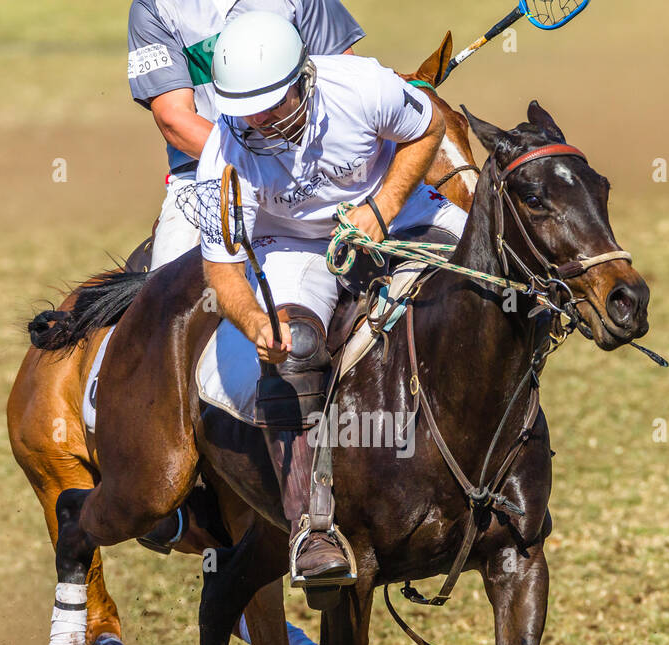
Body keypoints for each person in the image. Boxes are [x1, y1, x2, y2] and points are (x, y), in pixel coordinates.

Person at [196, 10, 467, 581]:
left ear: (304, 78)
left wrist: (381, 208)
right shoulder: (224, 153)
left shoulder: (361, 85)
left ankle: (512, 454)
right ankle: (312, 531)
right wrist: (255, 324)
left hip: (396, 211)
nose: (263, 122)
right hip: (295, 246)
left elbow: (427, 130)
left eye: (274, 103)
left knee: (496, 276)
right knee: (293, 349)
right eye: (249, 111)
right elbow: (221, 269)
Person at [128, 0, 364, 270]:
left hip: (317, 158)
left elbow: (347, 77)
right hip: (211, 175)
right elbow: (174, 120)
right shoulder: (154, 7)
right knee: (169, 287)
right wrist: (262, 166)